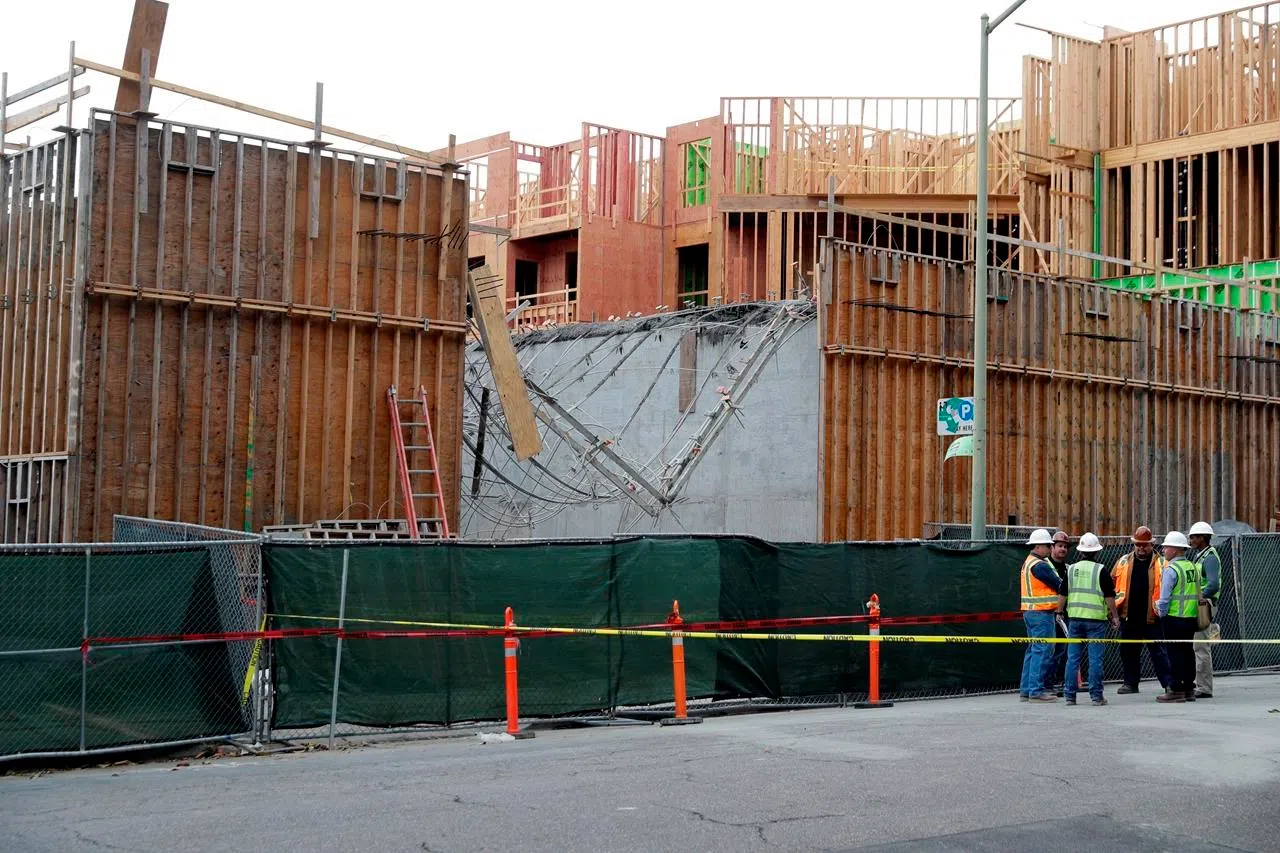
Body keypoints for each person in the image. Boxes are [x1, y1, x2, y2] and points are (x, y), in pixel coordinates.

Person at [1110, 526, 1172, 694]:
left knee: (1159, 653)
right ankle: (1130, 683)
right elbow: (1110, 585)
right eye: (1138, 544)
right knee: (1129, 652)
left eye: (1145, 545)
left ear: (1152, 545)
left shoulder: (1161, 563)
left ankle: (1168, 684)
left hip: (1153, 617)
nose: (1141, 548)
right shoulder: (1123, 562)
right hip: (1129, 617)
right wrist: (1113, 613)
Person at [1062, 532, 1120, 706]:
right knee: (1095, 659)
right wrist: (1115, 616)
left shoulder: (1071, 569)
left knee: (1072, 659)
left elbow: (1063, 593)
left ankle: (1070, 696)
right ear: (1097, 551)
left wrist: (1059, 612)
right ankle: (1096, 696)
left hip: (1075, 619)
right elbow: (1109, 596)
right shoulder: (1101, 570)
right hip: (1096, 621)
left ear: (1080, 551)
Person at [1155, 530, 1203, 703]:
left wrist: (1161, 613)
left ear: (1175, 549)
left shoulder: (1171, 570)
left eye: (1166, 547)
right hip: (1190, 618)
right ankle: (1189, 688)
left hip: (1173, 618)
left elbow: (1165, 598)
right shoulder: (1192, 567)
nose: (1163, 550)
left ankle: (1176, 689)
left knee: (1174, 655)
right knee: (1188, 653)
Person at [1019, 528, 1065, 703]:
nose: (1050, 549)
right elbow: (1058, 585)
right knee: (1043, 650)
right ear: (1039, 546)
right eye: (1048, 545)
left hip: (1031, 612)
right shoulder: (1040, 565)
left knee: (1033, 650)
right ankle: (1036, 691)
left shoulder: (1029, 562)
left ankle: (1027, 689)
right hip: (1041, 613)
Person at [1189, 521, 1221, 699]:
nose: (1191, 539)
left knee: (1201, 646)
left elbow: (1213, 584)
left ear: (1203, 538)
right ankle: (1200, 684)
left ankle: (1204, 687)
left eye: (1194, 537)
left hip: (1204, 605)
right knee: (1198, 646)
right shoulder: (1201, 556)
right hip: (1203, 604)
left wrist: (1200, 599)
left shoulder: (1209, 557)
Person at [1046, 530, 1072, 696]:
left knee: (1062, 651)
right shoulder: (1045, 566)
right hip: (1050, 614)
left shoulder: (1069, 568)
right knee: (1050, 650)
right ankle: (1048, 683)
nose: (1063, 549)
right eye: (1059, 546)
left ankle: (1058, 682)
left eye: (1065, 547)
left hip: (1065, 614)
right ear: (1052, 547)